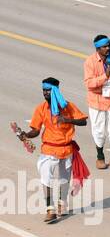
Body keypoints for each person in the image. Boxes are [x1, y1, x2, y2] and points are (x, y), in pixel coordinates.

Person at [11, 77, 89, 223]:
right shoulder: (41, 108)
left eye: (48, 90)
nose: (45, 93)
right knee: (45, 178)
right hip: (48, 149)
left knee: (64, 179)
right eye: (43, 90)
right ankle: (50, 209)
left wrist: (68, 120)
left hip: (66, 149)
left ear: (55, 91)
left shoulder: (68, 107)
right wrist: (26, 135)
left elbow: (83, 121)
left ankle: (62, 204)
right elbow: (35, 130)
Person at [84, 34, 110, 170]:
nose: (108, 48)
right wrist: (105, 76)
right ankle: (100, 157)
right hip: (97, 100)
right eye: (104, 47)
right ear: (98, 49)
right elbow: (89, 83)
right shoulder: (90, 62)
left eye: (108, 45)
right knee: (99, 130)